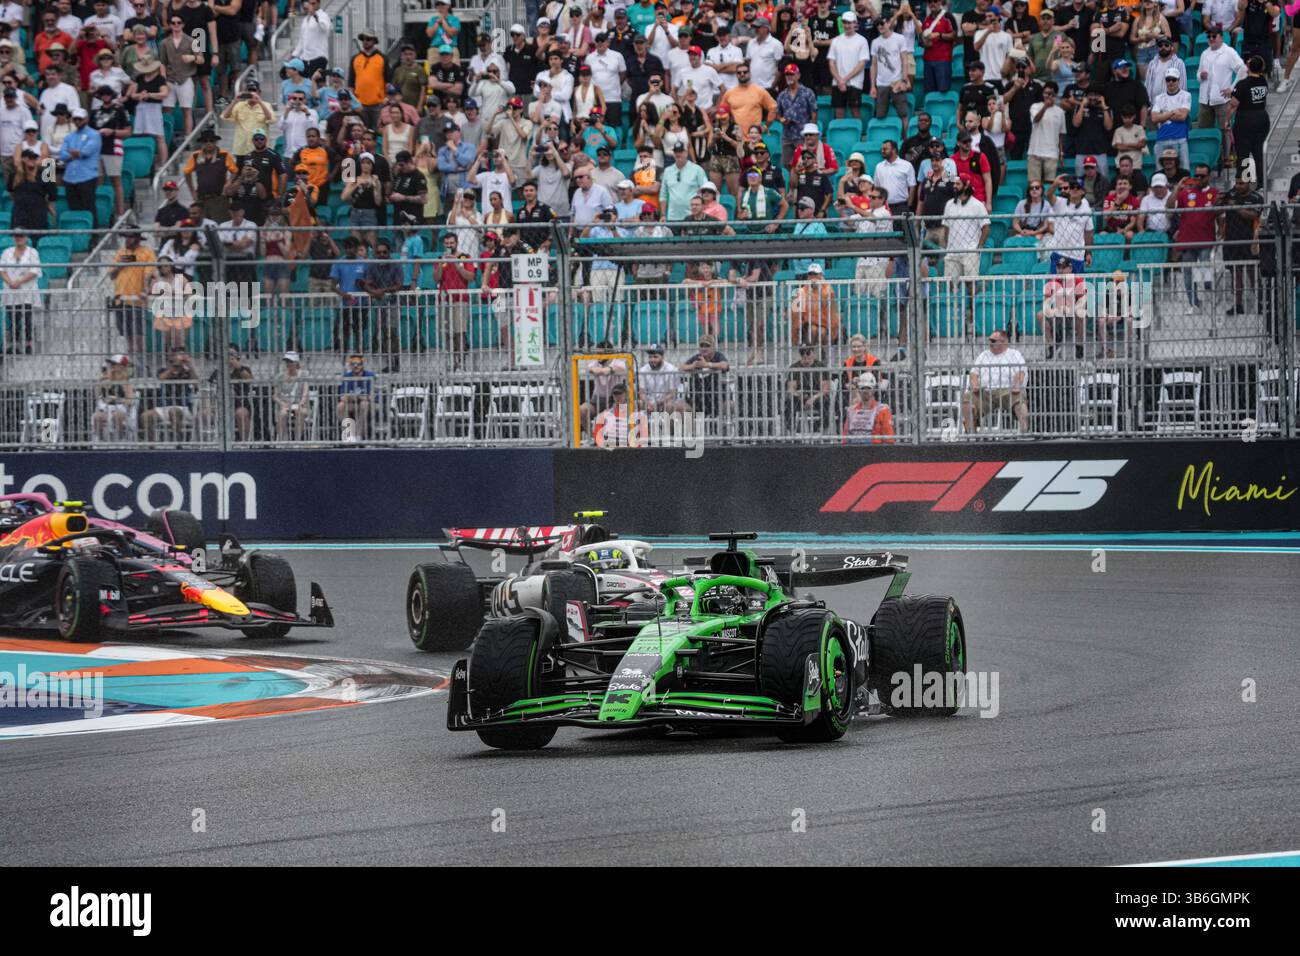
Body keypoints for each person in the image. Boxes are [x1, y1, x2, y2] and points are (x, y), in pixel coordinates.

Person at [962, 327, 1029, 432]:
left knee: (1019, 399)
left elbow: (1021, 372)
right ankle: (971, 434)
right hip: (985, 392)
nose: (989, 343)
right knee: (967, 399)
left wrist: (1016, 385)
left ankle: (1025, 430)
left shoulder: (1014, 354)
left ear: (1003, 342)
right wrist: (975, 385)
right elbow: (974, 373)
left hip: (1008, 391)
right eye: (989, 340)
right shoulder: (984, 355)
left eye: (993, 341)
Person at [141, 346, 199, 441]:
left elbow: (196, 385)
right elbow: (161, 378)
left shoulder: (188, 372)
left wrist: (190, 366)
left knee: (173, 411)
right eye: (176, 354)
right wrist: (174, 367)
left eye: (181, 354)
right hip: (163, 407)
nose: (178, 357)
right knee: (146, 416)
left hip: (183, 407)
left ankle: (178, 443)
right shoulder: (163, 370)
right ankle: (152, 446)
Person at [1037, 253, 1089, 358]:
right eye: (1058, 267)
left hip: (1073, 315)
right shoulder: (1052, 282)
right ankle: (1051, 346)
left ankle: (1079, 346)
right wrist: (1055, 310)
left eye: (1063, 268)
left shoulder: (1078, 280)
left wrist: (1072, 309)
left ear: (1070, 268)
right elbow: (1046, 303)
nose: (1060, 270)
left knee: (1082, 314)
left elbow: (1084, 302)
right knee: (1040, 314)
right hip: (1057, 314)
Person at [1229, 55, 1269, 187]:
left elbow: (1234, 104)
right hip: (1262, 118)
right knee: (1258, 153)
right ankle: (1261, 183)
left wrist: (1227, 120)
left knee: (1244, 153)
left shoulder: (1243, 84)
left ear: (1248, 67)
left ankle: (1244, 184)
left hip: (1245, 120)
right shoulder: (1263, 81)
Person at [0, 229, 41, 354]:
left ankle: (28, 344)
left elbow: (34, 271)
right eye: (16, 236)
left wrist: (19, 282)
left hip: (27, 289)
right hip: (11, 289)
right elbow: (1, 269)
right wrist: (10, 282)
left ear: (26, 237)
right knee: (12, 318)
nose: (19, 238)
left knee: (27, 317)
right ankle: (14, 344)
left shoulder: (32, 252)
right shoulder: (7, 252)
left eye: (21, 236)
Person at [784, 344, 833, 433]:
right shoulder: (794, 367)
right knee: (788, 400)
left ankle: (824, 429)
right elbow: (791, 389)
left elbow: (825, 389)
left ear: (813, 353)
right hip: (800, 396)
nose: (805, 355)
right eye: (802, 353)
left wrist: (813, 398)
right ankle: (791, 431)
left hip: (817, 396)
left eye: (808, 352)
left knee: (825, 399)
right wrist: (800, 396)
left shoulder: (821, 366)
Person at [680, 334, 730, 418]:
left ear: (713, 347)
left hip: (716, 399)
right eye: (701, 345)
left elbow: (725, 366)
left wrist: (707, 365)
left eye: (707, 345)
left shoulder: (718, 356)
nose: (704, 348)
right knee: (679, 407)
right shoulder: (697, 358)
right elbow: (681, 367)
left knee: (730, 405)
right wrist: (693, 366)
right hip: (696, 400)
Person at [93, 354, 135, 442]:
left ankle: (119, 440)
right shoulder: (105, 377)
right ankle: (101, 441)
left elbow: (130, 400)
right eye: (110, 364)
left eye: (113, 364)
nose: (111, 366)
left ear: (121, 367)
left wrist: (117, 400)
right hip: (105, 407)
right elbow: (97, 395)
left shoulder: (126, 381)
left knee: (117, 416)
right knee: (98, 417)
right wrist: (103, 380)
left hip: (121, 407)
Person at [842, 372, 895, 443]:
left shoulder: (882, 410)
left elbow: (889, 439)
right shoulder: (851, 411)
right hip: (854, 450)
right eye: (863, 388)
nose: (865, 391)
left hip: (875, 450)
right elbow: (845, 437)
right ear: (859, 390)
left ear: (874, 390)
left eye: (868, 388)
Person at [592, 382, 649, 448]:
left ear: (626, 394)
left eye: (620, 394)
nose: (617, 396)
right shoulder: (603, 415)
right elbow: (597, 438)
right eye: (615, 394)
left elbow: (643, 438)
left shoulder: (639, 416)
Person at [337, 353, 374, 441]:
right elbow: (343, 397)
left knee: (364, 404)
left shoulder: (370, 375)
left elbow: (370, 397)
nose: (356, 366)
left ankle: (358, 435)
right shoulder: (347, 376)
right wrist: (358, 397)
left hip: (367, 404)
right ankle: (348, 435)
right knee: (341, 405)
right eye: (353, 364)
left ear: (362, 365)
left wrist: (352, 396)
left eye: (358, 364)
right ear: (350, 365)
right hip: (351, 403)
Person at [275, 350, 310, 441]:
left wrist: (301, 403)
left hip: (300, 405)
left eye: (291, 362)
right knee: (282, 414)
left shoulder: (303, 374)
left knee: (300, 412)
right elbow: (275, 395)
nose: (288, 364)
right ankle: (284, 440)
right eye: (287, 362)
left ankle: (297, 440)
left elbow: (305, 392)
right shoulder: (280, 377)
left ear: (296, 363)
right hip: (285, 405)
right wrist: (282, 403)